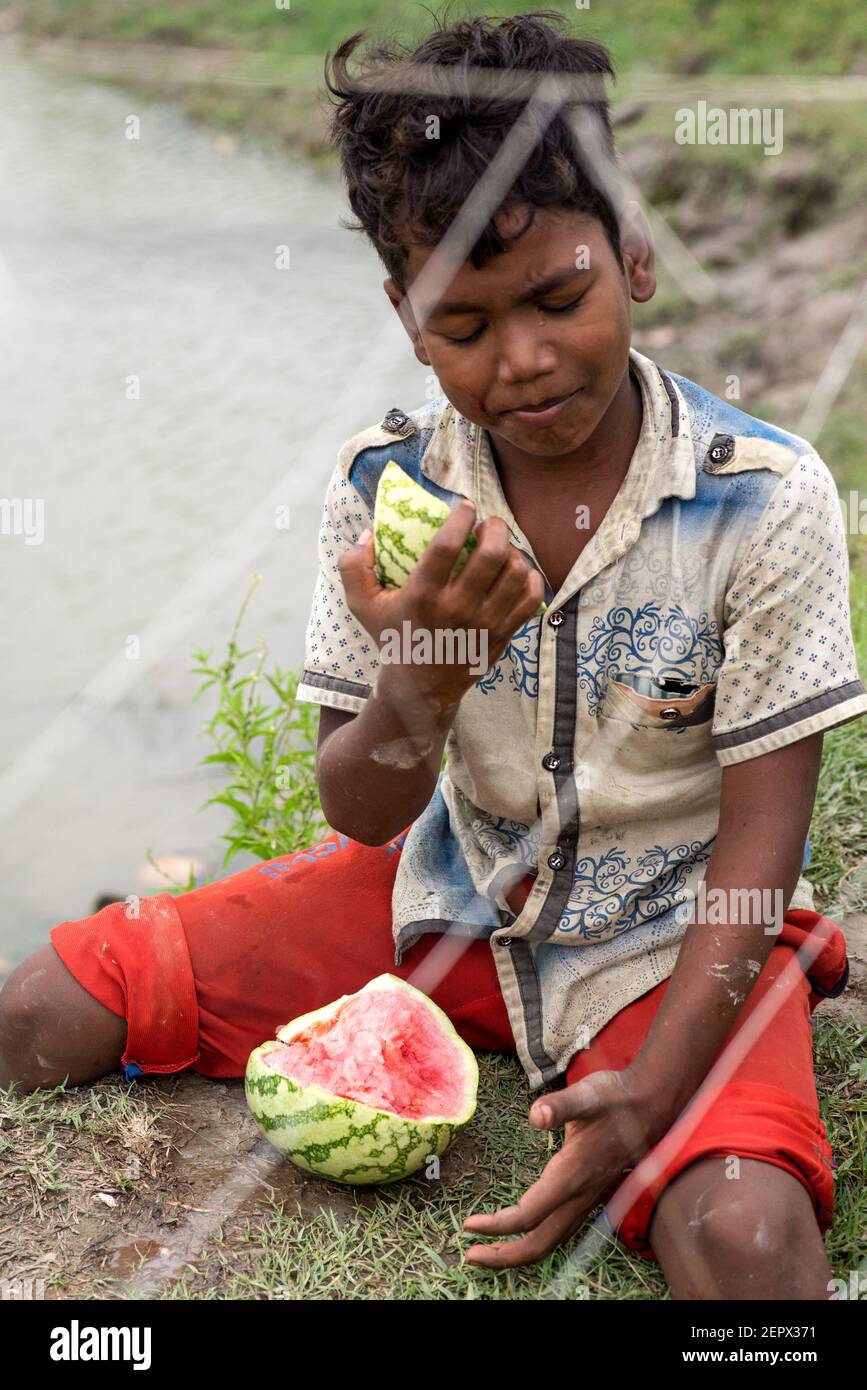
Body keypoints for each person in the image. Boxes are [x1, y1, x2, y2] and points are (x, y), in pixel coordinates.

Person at [1, 12, 864, 1298]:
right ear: (404, 316)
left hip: (673, 932)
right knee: (36, 1013)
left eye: (559, 299)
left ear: (633, 249)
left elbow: (761, 843)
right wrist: (426, 674)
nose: (523, 360)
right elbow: (357, 804)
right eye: (464, 325)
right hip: (441, 898)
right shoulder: (386, 487)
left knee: (744, 1248)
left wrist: (658, 1090)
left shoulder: (766, 497)